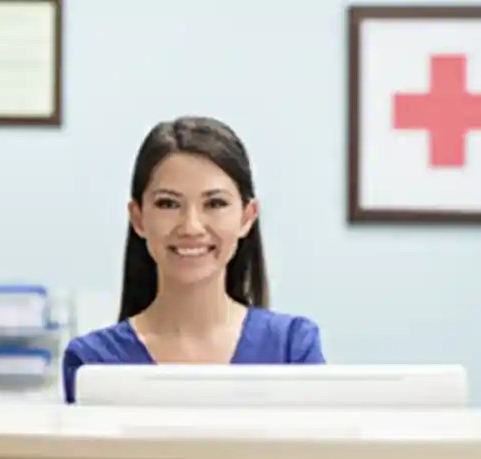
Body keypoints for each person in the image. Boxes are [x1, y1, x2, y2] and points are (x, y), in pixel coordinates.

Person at [61, 116, 324, 404]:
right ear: (138, 218)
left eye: (215, 204)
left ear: (247, 217)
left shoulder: (291, 347)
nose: (191, 227)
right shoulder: (94, 363)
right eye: (168, 204)